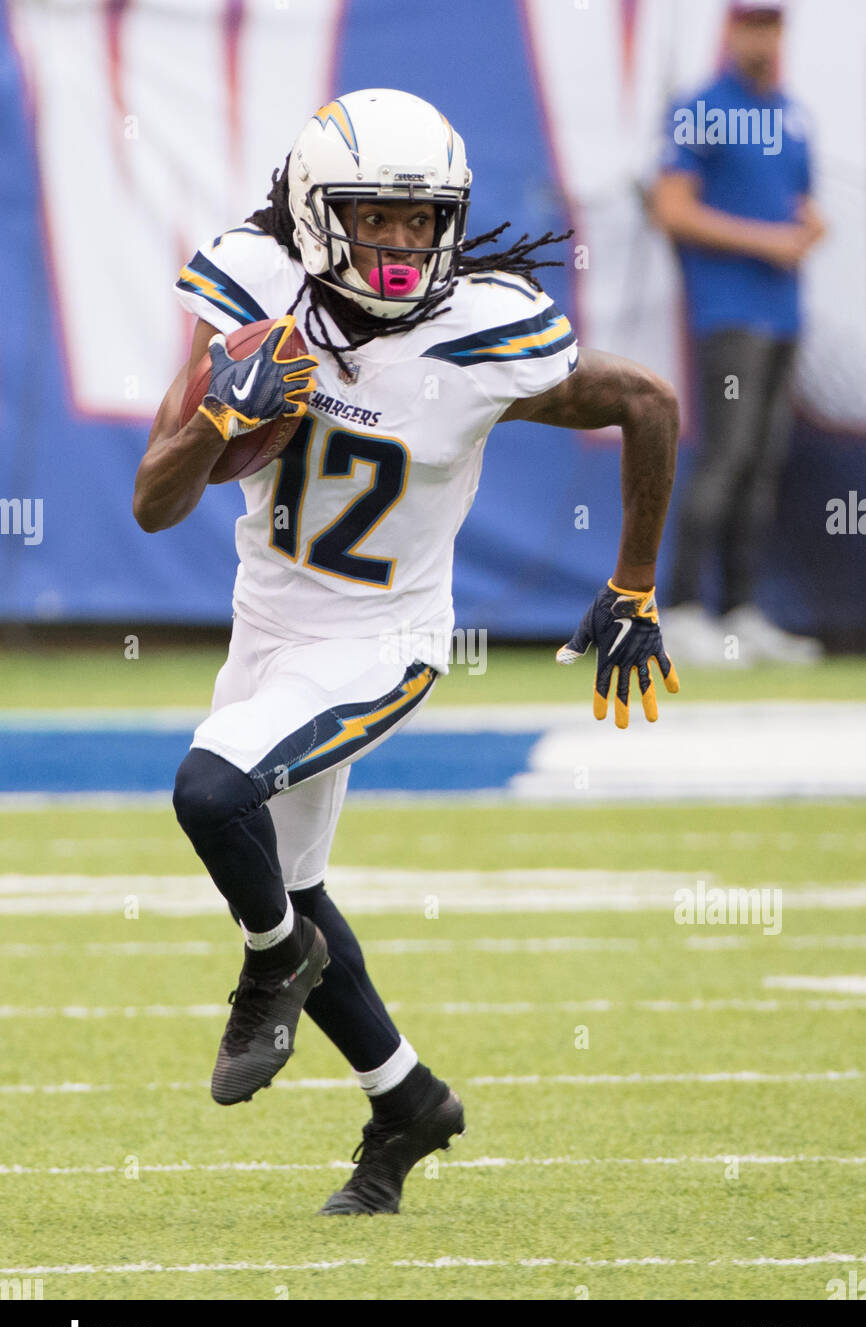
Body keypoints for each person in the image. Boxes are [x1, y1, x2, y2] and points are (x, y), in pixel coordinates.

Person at [133, 88, 679, 1216]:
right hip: (267, 624)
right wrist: (219, 424)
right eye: (372, 217)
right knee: (289, 884)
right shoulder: (253, 284)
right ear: (314, 209)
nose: (396, 243)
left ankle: (271, 966)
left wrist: (632, 581)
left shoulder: (481, 331)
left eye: (417, 220)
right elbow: (152, 501)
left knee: (207, 793)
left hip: (382, 638)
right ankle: (406, 1101)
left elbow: (649, 401)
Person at [652, 0, 825, 665]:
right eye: (753, 22)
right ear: (730, 30)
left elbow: (799, 204)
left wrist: (808, 230)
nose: (764, 35)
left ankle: (742, 609)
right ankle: (687, 607)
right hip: (728, 313)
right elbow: (672, 208)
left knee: (761, 464)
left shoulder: (791, 111)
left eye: (774, 23)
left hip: (784, 315)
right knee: (724, 458)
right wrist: (766, 241)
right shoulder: (700, 107)